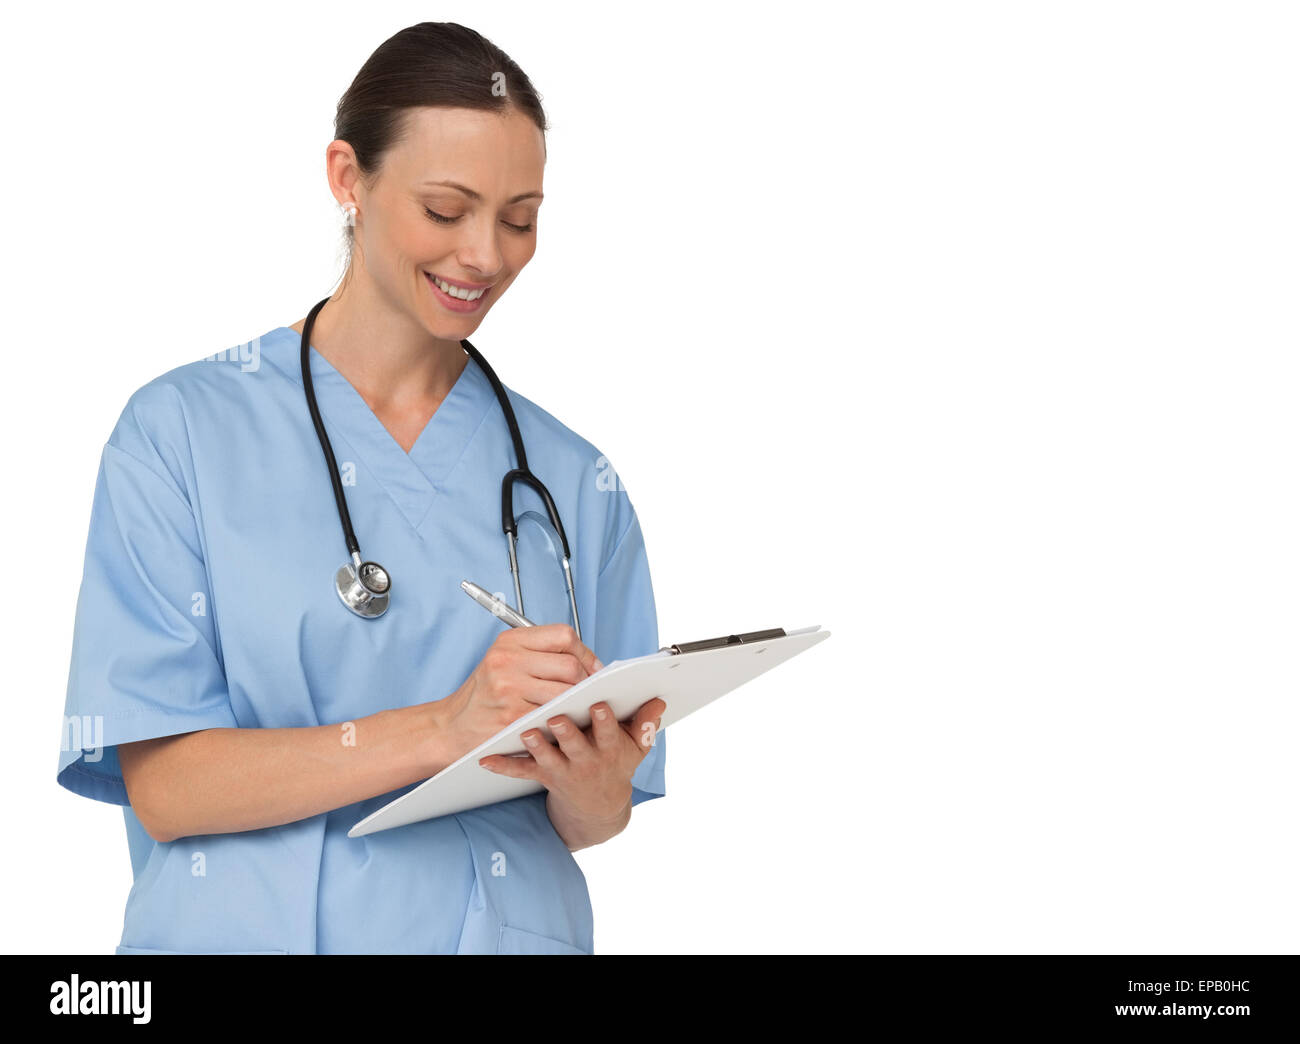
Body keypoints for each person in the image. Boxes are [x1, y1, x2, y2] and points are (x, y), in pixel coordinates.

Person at [56, 21, 666, 955]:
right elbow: (167, 789)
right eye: (446, 208)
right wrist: (444, 727)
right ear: (348, 177)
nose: (487, 256)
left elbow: (590, 823)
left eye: (519, 216)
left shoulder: (573, 479)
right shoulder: (178, 433)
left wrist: (594, 787)